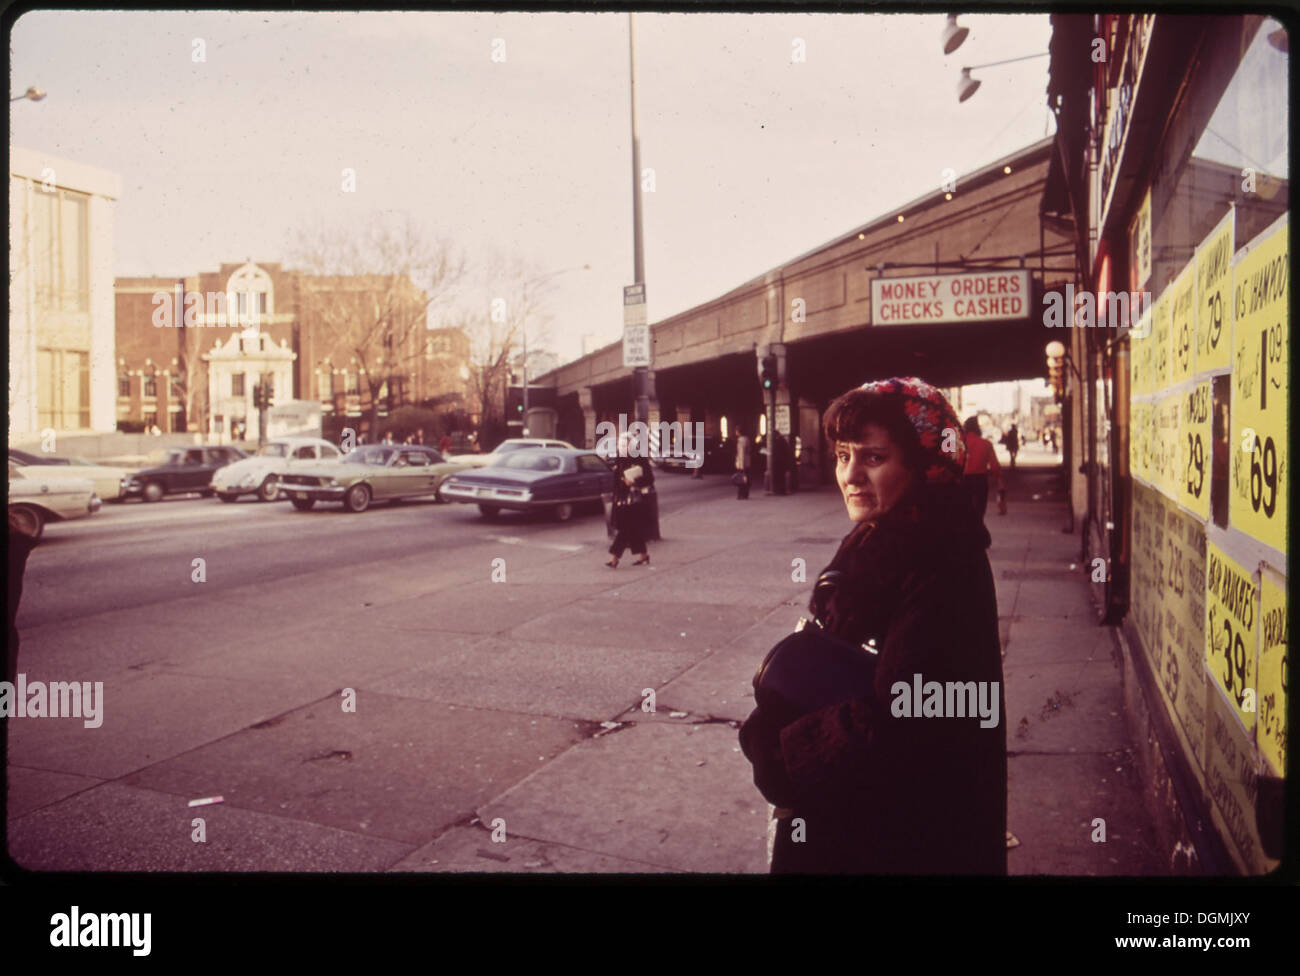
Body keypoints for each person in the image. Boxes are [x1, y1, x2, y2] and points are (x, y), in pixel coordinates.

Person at [739, 377, 1005, 874]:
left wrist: (781, 751)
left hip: (890, 841)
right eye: (843, 455)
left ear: (923, 466)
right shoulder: (880, 535)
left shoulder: (941, 560)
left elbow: (907, 725)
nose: (851, 475)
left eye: (873, 458)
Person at [606, 433, 654, 568]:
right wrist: (615, 495)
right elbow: (615, 481)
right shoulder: (619, 460)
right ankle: (644, 555)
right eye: (621, 444)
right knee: (633, 530)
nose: (622, 447)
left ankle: (614, 558)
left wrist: (633, 482)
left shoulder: (640, 459)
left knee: (625, 529)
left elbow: (650, 479)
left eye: (625, 444)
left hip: (636, 501)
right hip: (622, 500)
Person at [962, 416, 1003, 521]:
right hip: (980, 480)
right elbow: (995, 466)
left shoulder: (959, 444)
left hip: (963, 481)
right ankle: (977, 532)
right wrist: (1000, 482)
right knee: (979, 512)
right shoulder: (986, 444)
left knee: (965, 512)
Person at [734, 428, 752, 499]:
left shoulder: (740, 440)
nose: (735, 432)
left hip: (742, 463)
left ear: (739, 432)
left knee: (740, 479)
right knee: (746, 478)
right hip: (747, 462)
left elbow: (741, 453)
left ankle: (741, 494)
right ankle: (746, 494)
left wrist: (741, 465)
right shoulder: (747, 439)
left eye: (736, 431)